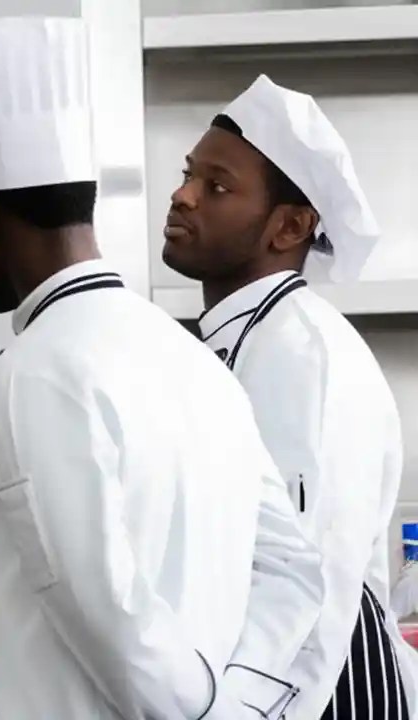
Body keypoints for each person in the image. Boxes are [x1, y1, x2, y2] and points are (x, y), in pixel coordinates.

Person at [0, 17, 325, 719]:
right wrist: (235, 705)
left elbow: (108, 615)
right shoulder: (187, 353)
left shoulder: (31, 373)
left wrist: (197, 712)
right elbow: (292, 569)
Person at [162, 74, 418, 719]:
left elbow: (308, 579)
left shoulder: (307, 354)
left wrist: (248, 710)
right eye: (189, 174)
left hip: (315, 684)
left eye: (215, 187)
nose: (183, 196)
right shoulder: (221, 343)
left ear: (290, 227)